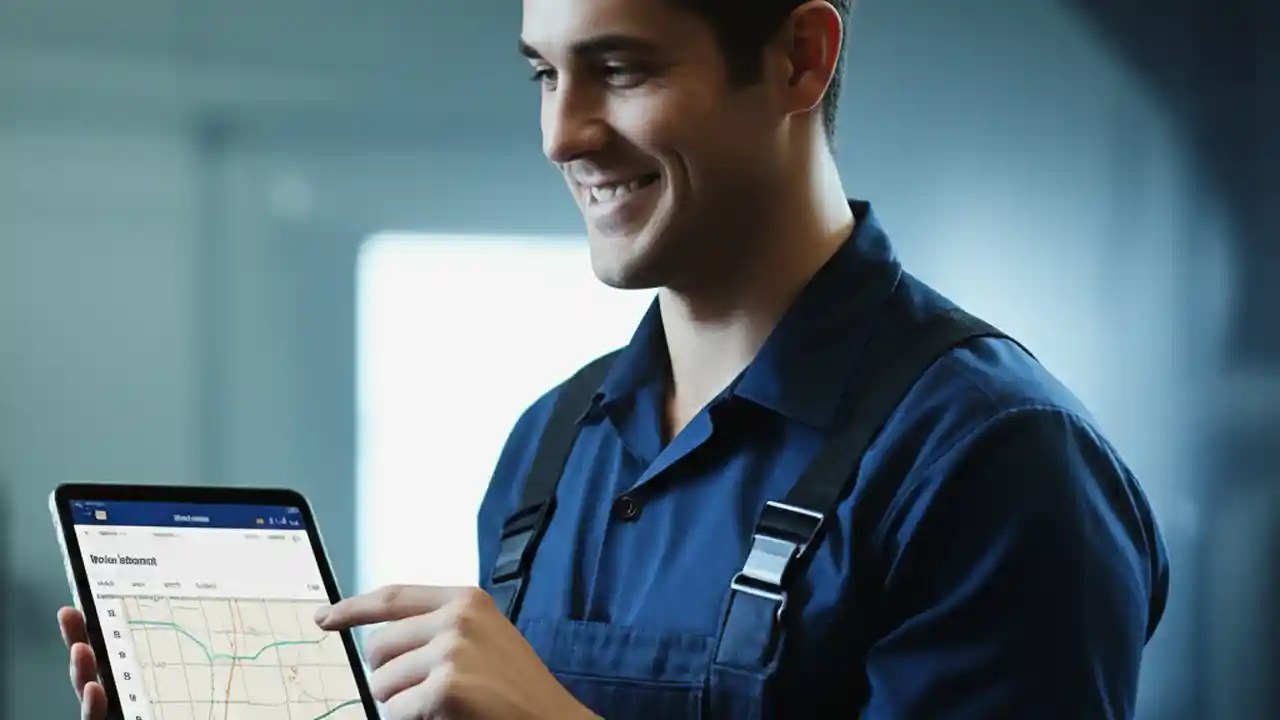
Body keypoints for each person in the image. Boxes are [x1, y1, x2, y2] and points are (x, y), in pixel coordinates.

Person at [59, 0, 1171, 717]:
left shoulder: (993, 462)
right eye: (544, 73)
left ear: (798, 57)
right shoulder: (552, 447)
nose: (561, 133)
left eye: (618, 68)